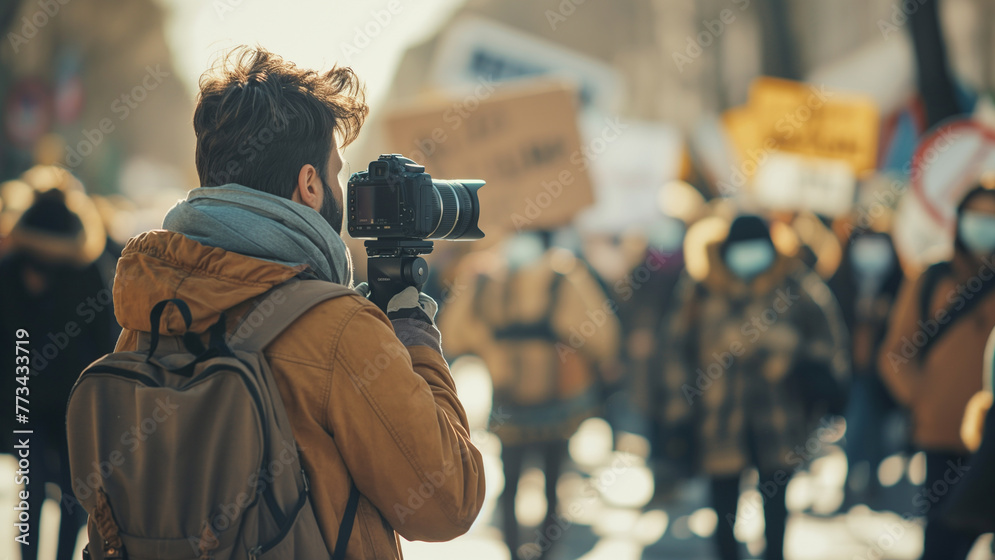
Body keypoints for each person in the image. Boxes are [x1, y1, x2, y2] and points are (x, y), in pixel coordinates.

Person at [99, 47, 485, 559]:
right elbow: (449, 501)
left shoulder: (151, 311)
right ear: (309, 184)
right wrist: (414, 340)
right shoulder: (337, 330)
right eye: (337, 173)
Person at [658, 215, 849, 560]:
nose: (749, 255)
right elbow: (676, 351)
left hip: (780, 417)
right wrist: (677, 413)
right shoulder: (700, 288)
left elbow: (829, 338)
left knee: (776, 505)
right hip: (717, 418)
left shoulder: (794, 283)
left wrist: (798, 359)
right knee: (723, 506)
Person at [439, 231, 620, 560]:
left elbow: (454, 333)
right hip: (547, 401)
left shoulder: (490, 278)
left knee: (515, 483)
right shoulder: (562, 275)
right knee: (548, 483)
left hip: (519, 398)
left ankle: (518, 553)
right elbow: (600, 332)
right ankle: (543, 552)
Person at [879, 179, 995, 560]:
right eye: (976, 215)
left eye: (994, 217)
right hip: (940, 437)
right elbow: (896, 353)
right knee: (943, 541)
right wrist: (923, 401)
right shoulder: (931, 276)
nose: (984, 224)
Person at [0, 181, 113, 560]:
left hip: (42, 400)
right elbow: (108, 340)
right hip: (62, 403)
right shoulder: (86, 267)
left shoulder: (15, 268)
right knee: (63, 491)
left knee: (53, 490)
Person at [828, 226, 905, 508]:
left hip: (885, 371)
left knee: (875, 426)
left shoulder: (901, 283)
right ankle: (855, 480)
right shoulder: (840, 280)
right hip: (851, 370)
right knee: (857, 422)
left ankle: (868, 478)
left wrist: (886, 315)